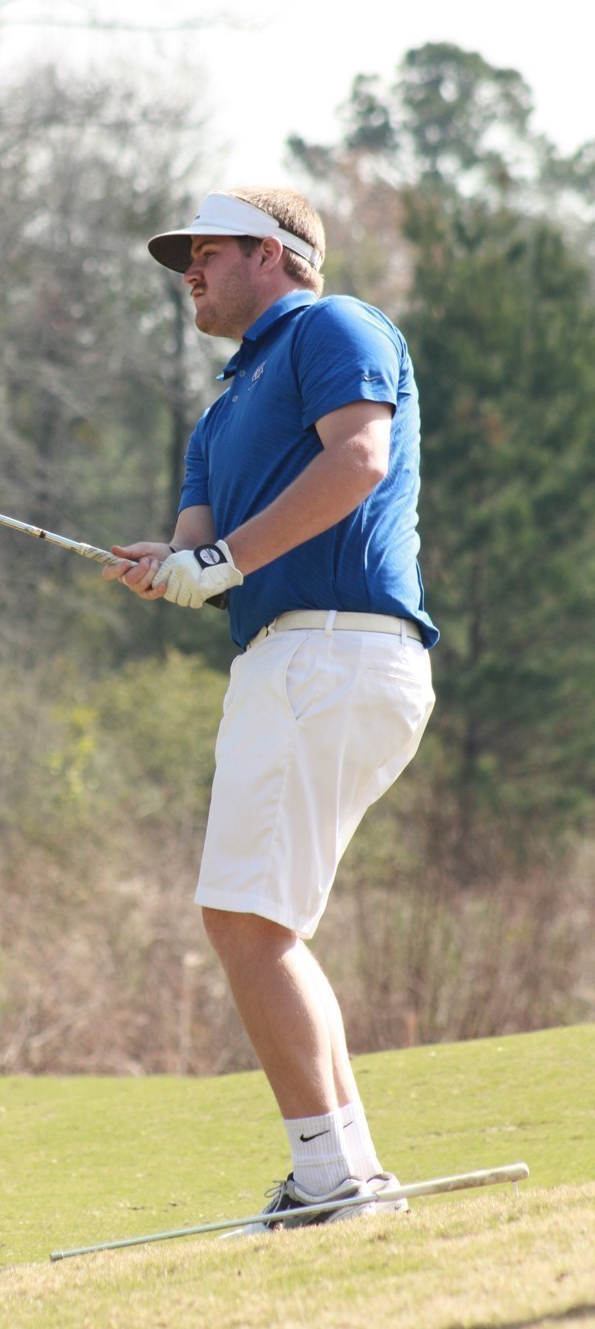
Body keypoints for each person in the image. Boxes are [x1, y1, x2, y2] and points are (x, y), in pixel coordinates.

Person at [104, 186, 437, 1233]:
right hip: (288, 662)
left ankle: (335, 1182)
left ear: (276, 253)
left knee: (247, 920)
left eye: (205, 252)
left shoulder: (330, 328)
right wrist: (172, 566)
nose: (188, 272)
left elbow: (357, 459)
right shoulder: (220, 403)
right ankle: (338, 1171)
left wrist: (223, 559)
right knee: (262, 922)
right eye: (184, 259)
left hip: (332, 649)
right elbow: (201, 535)